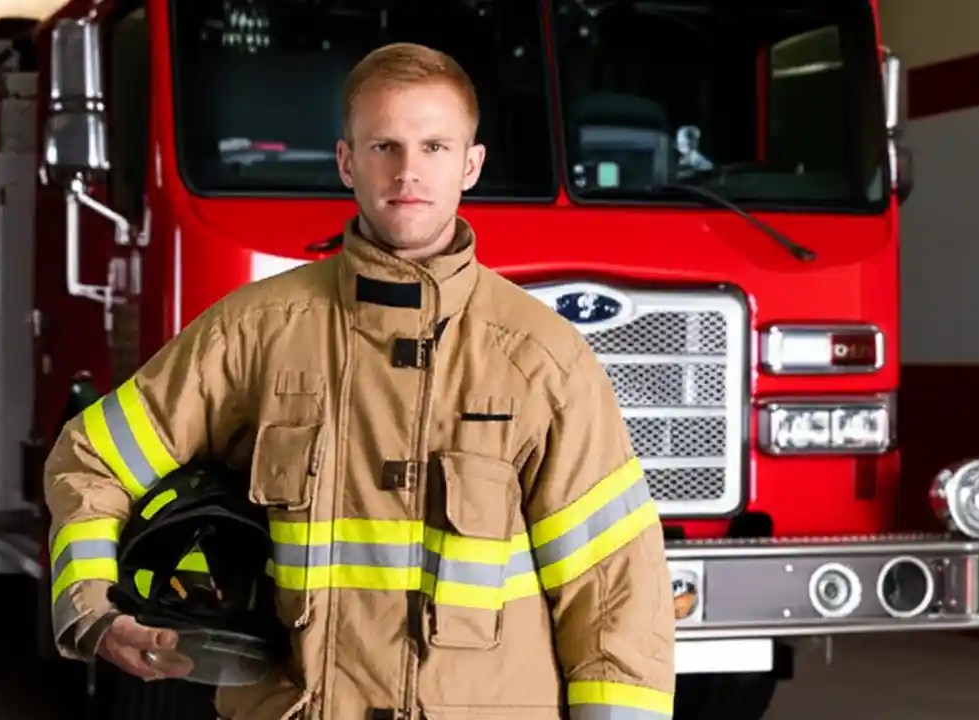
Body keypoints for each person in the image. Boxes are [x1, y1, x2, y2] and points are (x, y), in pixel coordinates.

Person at [44, 41, 676, 719]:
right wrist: (95, 613)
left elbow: (613, 594)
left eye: (434, 147)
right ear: (347, 161)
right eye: (384, 147)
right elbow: (91, 459)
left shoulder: (540, 360)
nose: (408, 171)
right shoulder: (255, 332)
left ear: (471, 163)